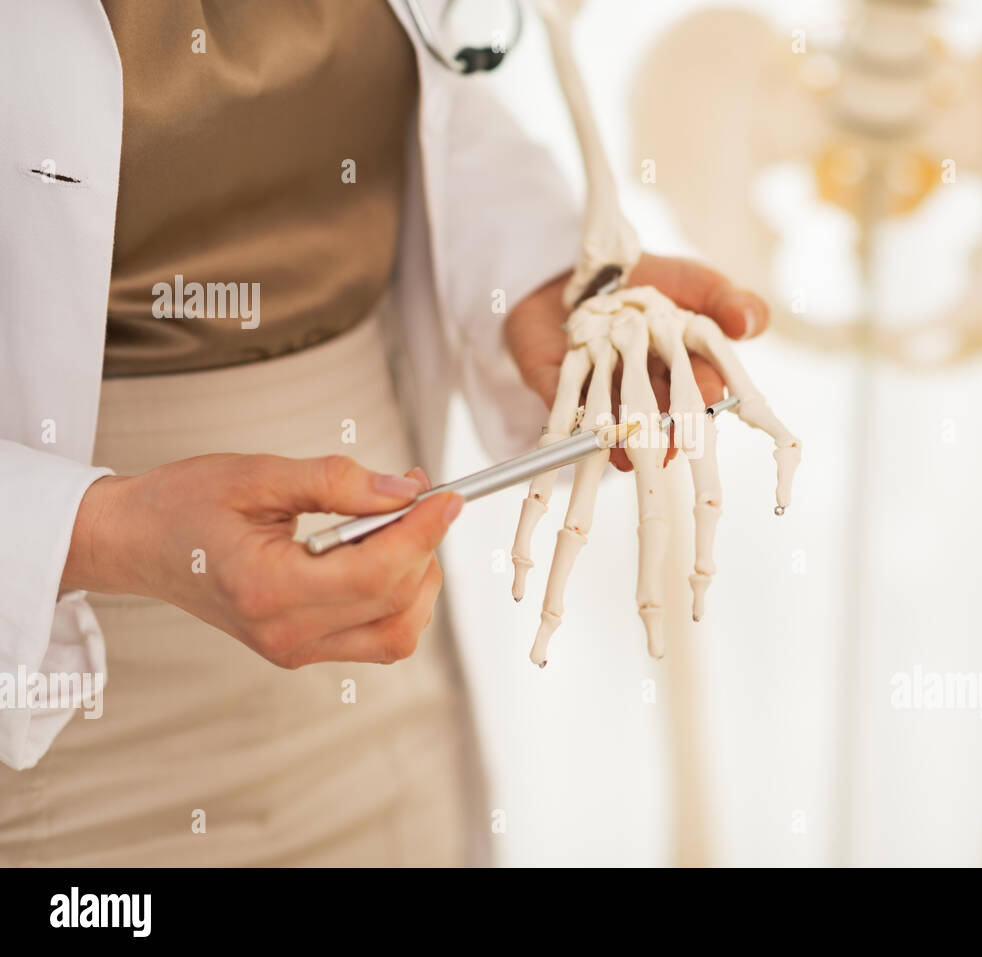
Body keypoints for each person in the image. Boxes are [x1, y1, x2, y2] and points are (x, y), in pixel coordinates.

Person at [0, 1, 768, 865]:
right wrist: (100, 531)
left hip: (376, 695)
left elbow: (428, 86)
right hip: (45, 710)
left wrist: (544, 272)